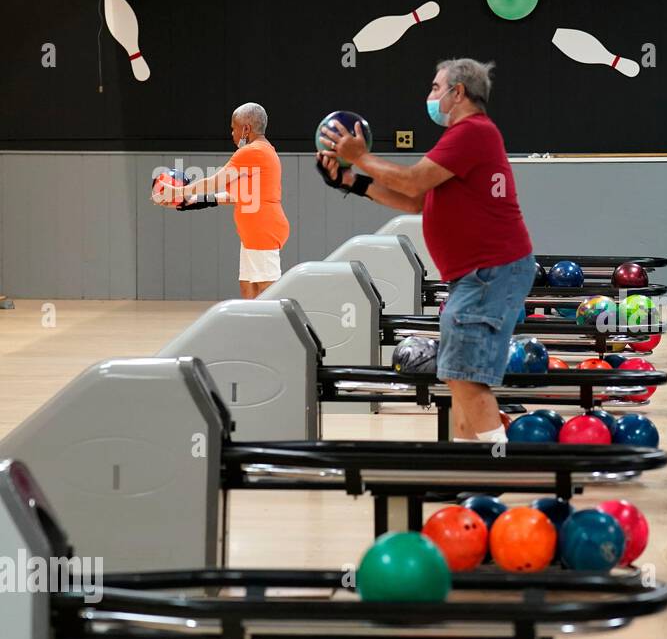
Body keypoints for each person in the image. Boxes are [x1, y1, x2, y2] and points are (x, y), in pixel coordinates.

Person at [316, 58, 534, 443]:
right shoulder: (464, 138)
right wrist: (350, 181)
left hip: (490, 272)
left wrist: (360, 155)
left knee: (466, 377)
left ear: (458, 92)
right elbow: (416, 202)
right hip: (480, 274)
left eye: (436, 88)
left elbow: (413, 181)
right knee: (457, 375)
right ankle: (472, 470)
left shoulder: (473, 132)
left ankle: (496, 466)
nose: (430, 96)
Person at [153, 102, 290, 297]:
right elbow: (235, 196)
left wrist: (177, 191)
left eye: (233, 128)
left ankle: (278, 327)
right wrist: (194, 202)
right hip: (254, 231)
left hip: (263, 229)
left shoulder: (253, 151)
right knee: (248, 288)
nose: (232, 134)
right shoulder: (262, 151)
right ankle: (252, 327)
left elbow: (214, 182)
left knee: (268, 292)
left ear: (246, 129)